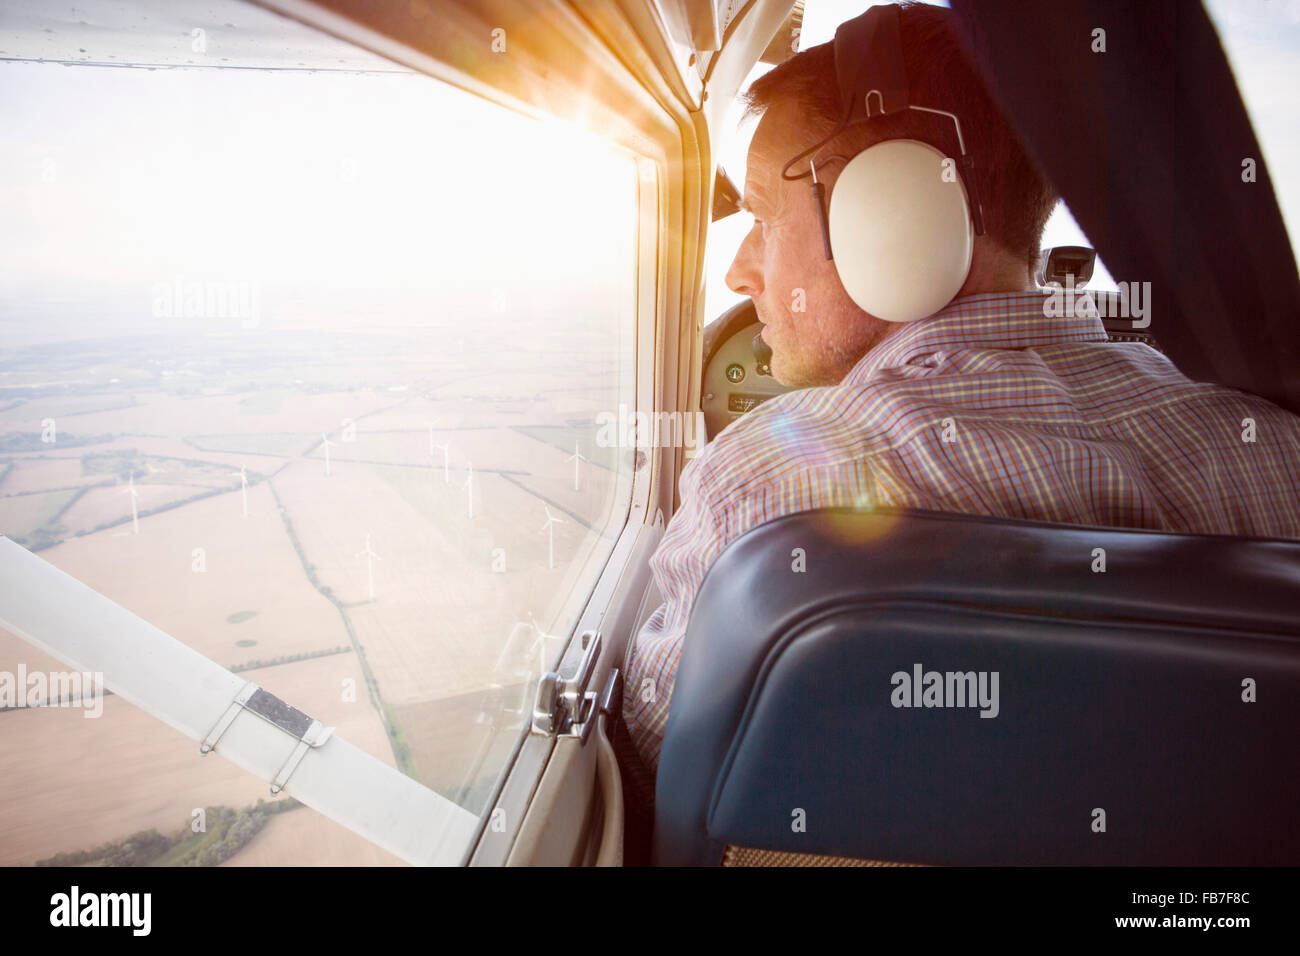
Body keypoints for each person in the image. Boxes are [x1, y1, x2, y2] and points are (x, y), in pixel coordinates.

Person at [620, 1, 1300, 779]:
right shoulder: (1272, 452)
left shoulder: (754, 494)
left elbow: (660, 754)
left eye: (764, 218)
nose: (740, 272)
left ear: (896, 208)